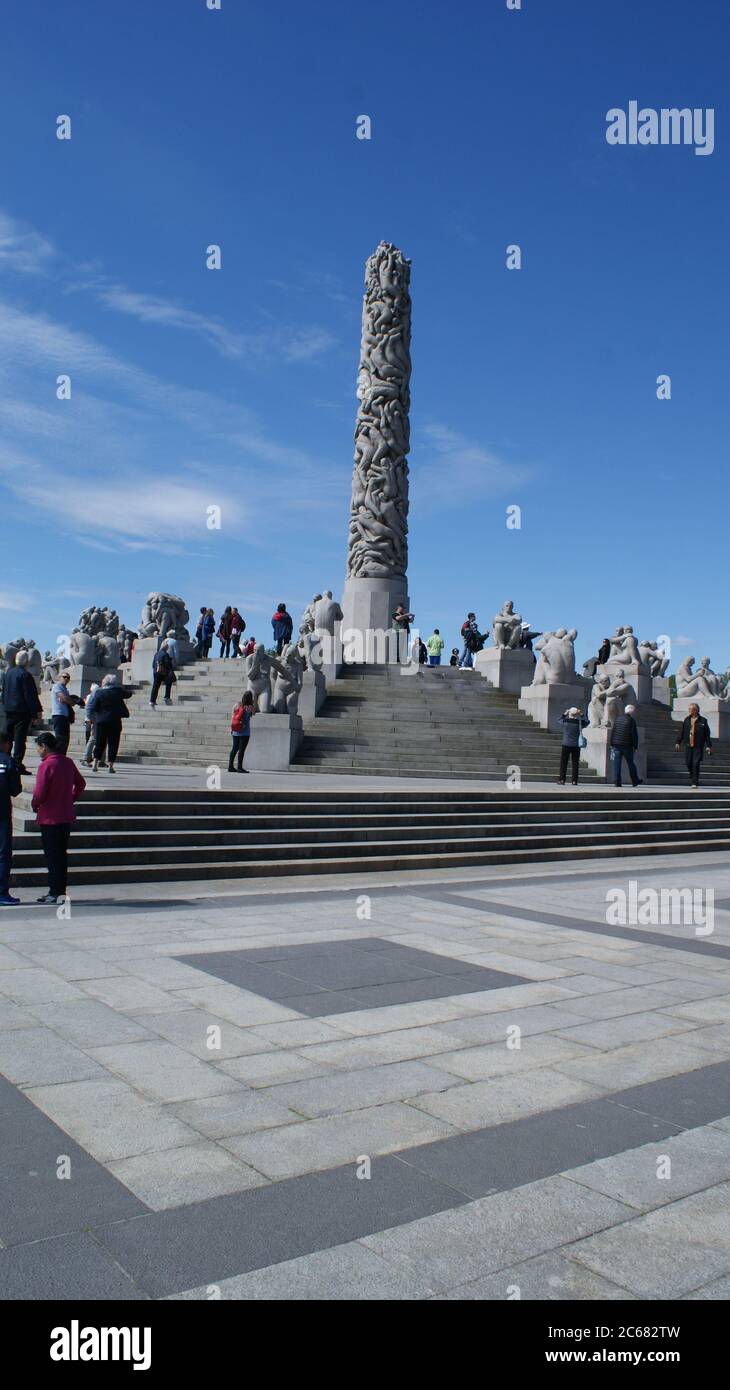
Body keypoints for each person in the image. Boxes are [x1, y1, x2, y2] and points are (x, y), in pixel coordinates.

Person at [31, 732, 86, 904]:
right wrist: (71, 798)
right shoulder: (67, 762)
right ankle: (60, 890)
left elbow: (39, 793)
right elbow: (81, 783)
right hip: (65, 815)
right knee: (61, 855)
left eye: (38, 748)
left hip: (49, 816)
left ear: (45, 747)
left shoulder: (46, 765)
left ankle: (55, 892)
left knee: (52, 855)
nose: (38, 751)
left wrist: (35, 804)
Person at [1, 649, 43, 773]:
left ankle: (5, 760)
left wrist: (5, 705)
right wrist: (35, 713)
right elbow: (29, 695)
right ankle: (17, 764)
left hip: (8, 710)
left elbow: (4, 692)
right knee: (19, 739)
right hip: (22, 711)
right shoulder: (25, 675)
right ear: (26, 662)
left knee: (7, 737)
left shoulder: (8, 673)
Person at [92, 673, 134, 773]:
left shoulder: (99, 692)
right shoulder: (118, 691)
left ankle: (95, 764)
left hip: (101, 721)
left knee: (99, 743)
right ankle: (110, 766)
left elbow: (95, 707)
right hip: (115, 721)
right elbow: (129, 694)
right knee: (113, 743)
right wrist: (121, 687)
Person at [0, 730, 22, 905]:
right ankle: (1, 893)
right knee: (3, 853)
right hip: (2, 814)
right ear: (7, 744)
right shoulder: (9, 762)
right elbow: (15, 790)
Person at [675, 703, 712, 788]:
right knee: (688, 763)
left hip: (698, 746)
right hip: (688, 745)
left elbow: (707, 734)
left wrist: (708, 746)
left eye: (691, 709)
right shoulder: (686, 720)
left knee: (696, 763)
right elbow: (682, 732)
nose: (689, 711)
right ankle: (693, 776)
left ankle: (694, 782)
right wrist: (678, 742)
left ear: (695, 710)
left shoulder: (703, 721)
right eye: (689, 709)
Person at [610, 703, 643, 788]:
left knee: (617, 763)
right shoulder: (631, 721)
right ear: (632, 712)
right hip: (626, 745)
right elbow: (634, 735)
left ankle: (617, 782)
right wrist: (635, 746)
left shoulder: (617, 719)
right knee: (631, 763)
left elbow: (613, 731)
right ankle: (635, 780)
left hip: (616, 744)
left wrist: (611, 743)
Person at [50, 671, 84, 755]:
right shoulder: (57, 686)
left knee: (65, 739)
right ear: (59, 677)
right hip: (58, 715)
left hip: (64, 715)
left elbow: (65, 699)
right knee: (60, 738)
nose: (66, 679)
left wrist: (69, 700)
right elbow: (63, 698)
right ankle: (57, 757)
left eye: (68, 677)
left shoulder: (65, 689)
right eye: (64, 677)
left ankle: (62, 756)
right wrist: (71, 702)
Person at [557, 706, 589, 785]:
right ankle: (574, 781)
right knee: (575, 763)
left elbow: (558, 720)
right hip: (576, 746)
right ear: (576, 714)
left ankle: (562, 780)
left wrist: (565, 714)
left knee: (564, 763)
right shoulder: (579, 723)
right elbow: (587, 721)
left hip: (566, 744)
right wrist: (581, 714)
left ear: (570, 714)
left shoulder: (565, 722)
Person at [228, 691, 255, 773]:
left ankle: (230, 766)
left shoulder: (237, 705)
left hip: (235, 730)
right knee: (241, 750)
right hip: (245, 732)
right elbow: (254, 714)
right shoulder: (250, 707)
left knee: (234, 748)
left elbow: (233, 715)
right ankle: (239, 767)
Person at [150, 643, 176, 707]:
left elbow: (153, 664)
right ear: (166, 648)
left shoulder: (156, 654)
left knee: (155, 687)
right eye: (167, 648)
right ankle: (166, 697)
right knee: (169, 682)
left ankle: (152, 701)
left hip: (156, 672)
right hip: (163, 673)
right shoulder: (165, 654)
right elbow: (167, 664)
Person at [82, 682, 101, 766]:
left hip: (98, 719)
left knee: (100, 739)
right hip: (94, 719)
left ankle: (99, 759)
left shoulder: (96, 695)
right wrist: (91, 718)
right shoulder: (92, 696)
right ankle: (86, 758)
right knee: (92, 738)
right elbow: (88, 708)